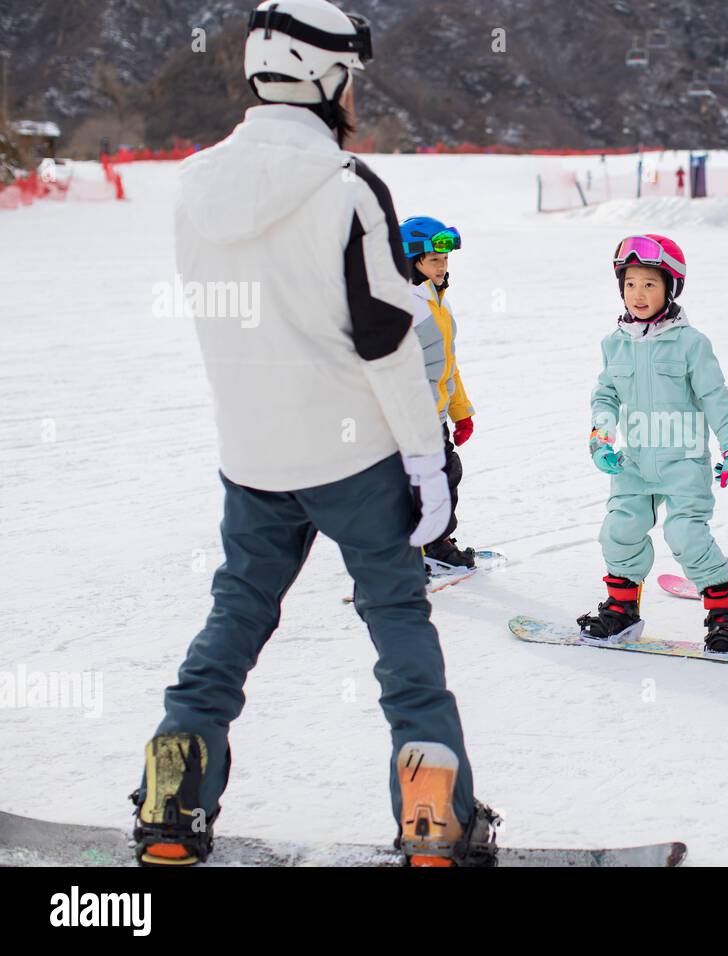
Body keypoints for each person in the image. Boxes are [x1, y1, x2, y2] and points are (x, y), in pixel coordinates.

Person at [131, 0, 493, 867]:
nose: (355, 98)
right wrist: (426, 461)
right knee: (398, 620)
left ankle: (174, 793)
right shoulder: (348, 187)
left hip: (251, 457)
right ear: (325, 77)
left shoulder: (192, 183)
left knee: (235, 615)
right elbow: (386, 341)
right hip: (351, 457)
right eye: (350, 80)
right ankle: (433, 814)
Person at [581, 234, 728, 653]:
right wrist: (601, 439)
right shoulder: (614, 343)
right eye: (630, 284)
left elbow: (716, 396)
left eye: (650, 284)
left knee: (685, 535)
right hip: (634, 462)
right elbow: (605, 396)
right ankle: (621, 610)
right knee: (619, 530)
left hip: (684, 460)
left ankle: (726, 611)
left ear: (671, 288)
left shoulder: (691, 343)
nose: (638, 294)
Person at [400, 215, 478, 574]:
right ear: (411, 261)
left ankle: (437, 543)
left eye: (445, 260)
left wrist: (460, 411)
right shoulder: (402, 308)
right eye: (434, 260)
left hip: (436, 419)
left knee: (446, 477)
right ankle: (403, 557)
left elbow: (448, 365)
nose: (442, 267)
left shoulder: (437, 303)